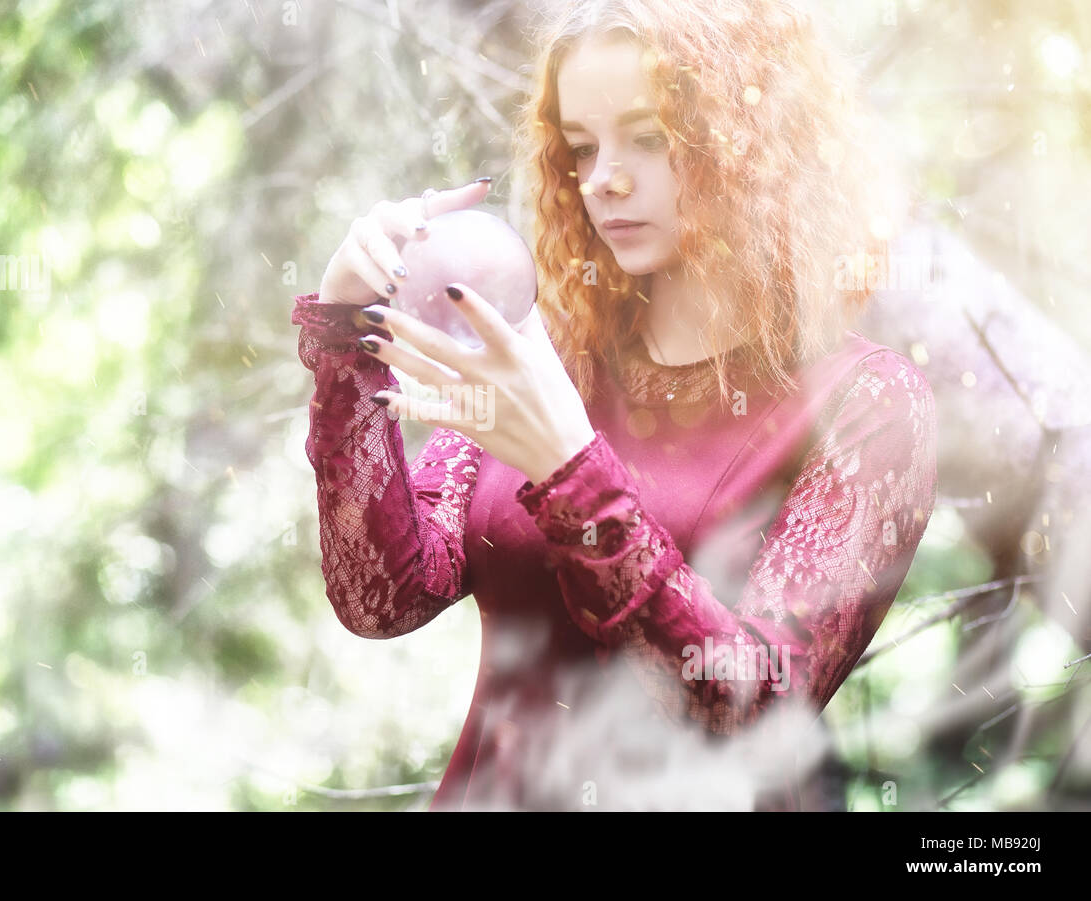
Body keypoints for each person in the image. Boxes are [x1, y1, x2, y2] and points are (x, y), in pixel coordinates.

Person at [290, 0, 938, 811]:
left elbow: (751, 716)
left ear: (758, 139)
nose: (604, 179)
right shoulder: (545, 356)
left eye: (651, 136)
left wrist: (570, 471)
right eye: (582, 147)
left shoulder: (869, 406)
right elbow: (381, 596)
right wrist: (349, 341)